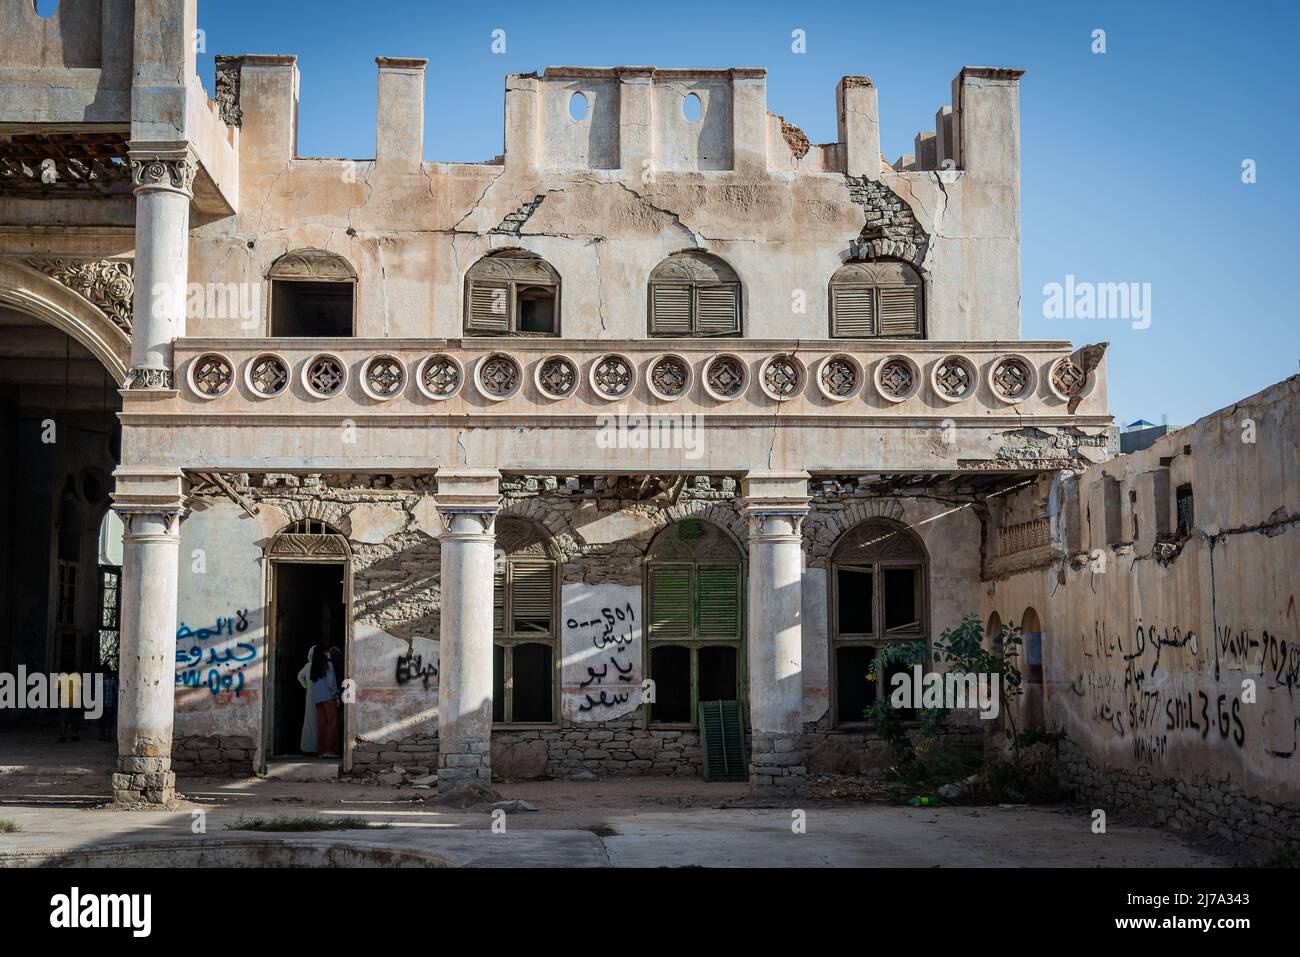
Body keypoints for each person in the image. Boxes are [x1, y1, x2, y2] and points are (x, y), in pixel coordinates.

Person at [310, 643, 340, 758]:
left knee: (321, 724)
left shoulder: (315, 667)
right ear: (324, 653)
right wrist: (336, 696)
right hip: (328, 698)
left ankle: (321, 750)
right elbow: (331, 682)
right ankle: (329, 750)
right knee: (332, 723)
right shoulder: (328, 665)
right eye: (327, 651)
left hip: (318, 699)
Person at [296, 646, 317, 755]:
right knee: (320, 721)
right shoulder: (322, 666)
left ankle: (307, 747)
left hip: (310, 696)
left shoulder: (308, 666)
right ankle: (317, 748)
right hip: (321, 696)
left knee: (309, 721)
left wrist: (306, 687)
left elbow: (299, 676)